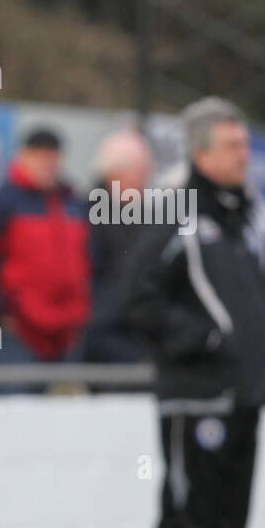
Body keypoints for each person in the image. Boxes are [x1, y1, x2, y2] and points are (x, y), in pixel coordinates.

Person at [122, 96, 265, 528]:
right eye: (234, 146)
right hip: (194, 395)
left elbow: (260, 300)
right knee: (188, 507)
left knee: (229, 515)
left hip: (245, 392)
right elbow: (137, 300)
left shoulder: (246, 216)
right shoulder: (173, 211)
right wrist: (204, 339)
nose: (245, 156)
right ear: (202, 151)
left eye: (246, 144)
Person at [0, 128, 91, 364]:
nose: (47, 164)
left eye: (52, 157)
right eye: (40, 157)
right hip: (15, 333)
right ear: (23, 156)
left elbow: (87, 262)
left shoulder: (73, 203)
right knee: (15, 399)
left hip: (68, 333)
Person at [82, 128, 154, 363]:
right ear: (114, 174)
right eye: (139, 172)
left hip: (132, 323)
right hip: (102, 326)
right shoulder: (88, 213)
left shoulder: (142, 215)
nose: (144, 181)